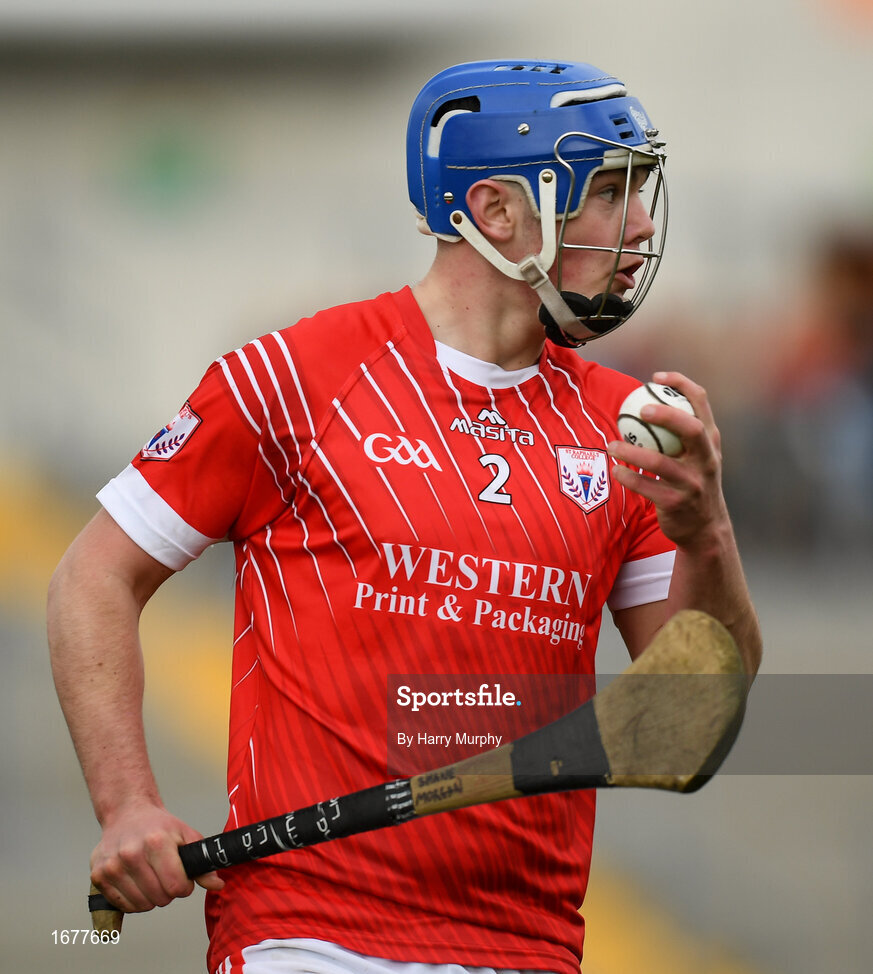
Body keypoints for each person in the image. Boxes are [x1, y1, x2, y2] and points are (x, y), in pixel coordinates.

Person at [48, 59, 761, 974]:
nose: (642, 223)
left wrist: (708, 534)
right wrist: (127, 803)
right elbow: (93, 575)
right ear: (499, 214)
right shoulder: (295, 379)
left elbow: (691, 723)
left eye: (638, 189)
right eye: (607, 191)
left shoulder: (625, 428)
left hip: (529, 945)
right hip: (307, 933)